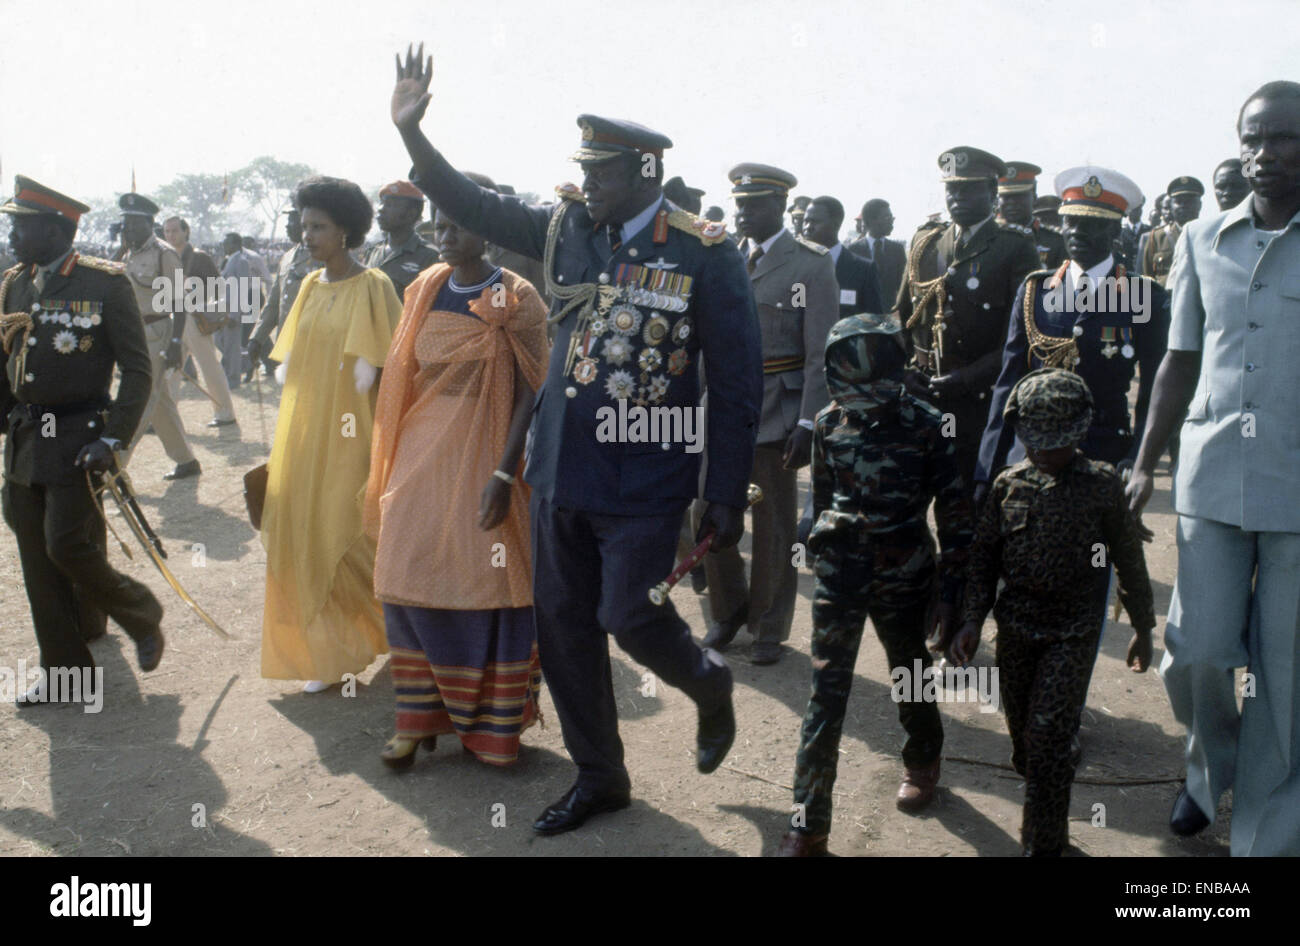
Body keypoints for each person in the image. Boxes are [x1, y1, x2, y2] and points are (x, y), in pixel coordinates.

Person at [391, 44, 762, 834]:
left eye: (603, 172)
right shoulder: (565, 226)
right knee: (562, 634)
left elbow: (734, 382)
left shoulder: (703, 251)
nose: (588, 182)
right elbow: (478, 207)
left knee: (629, 616)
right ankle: (603, 777)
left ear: (647, 175)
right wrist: (414, 137)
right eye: (584, 170)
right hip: (559, 468)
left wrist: (724, 490)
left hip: (646, 474)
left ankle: (706, 682)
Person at [1126, 81, 1300, 856]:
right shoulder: (1201, 238)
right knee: (1195, 650)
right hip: (1210, 474)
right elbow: (1178, 358)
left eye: (1282, 139)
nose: (1262, 155)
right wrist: (1143, 463)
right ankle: (1206, 770)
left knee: (1286, 675)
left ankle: (1266, 831)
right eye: (1251, 139)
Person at [778, 314, 972, 856]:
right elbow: (819, 497)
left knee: (909, 673)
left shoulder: (928, 425)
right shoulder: (827, 422)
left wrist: (952, 596)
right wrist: (817, 546)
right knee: (825, 694)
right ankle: (808, 823)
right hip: (842, 574)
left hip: (905, 573)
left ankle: (922, 760)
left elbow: (956, 517)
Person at [365, 199, 548, 766]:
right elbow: (405, 369)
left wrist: (501, 472)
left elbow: (530, 390)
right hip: (421, 445)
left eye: (458, 224)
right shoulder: (424, 285)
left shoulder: (517, 296)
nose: (444, 235)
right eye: (439, 225)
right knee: (406, 566)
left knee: (487, 576)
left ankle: (493, 728)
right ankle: (416, 719)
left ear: (486, 231)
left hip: (489, 451)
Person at [953, 368, 1155, 856]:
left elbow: (1129, 558)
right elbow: (983, 559)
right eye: (1034, 443)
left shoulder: (1102, 486)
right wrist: (972, 621)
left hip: (1074, 629)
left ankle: (1044, 844)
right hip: (1017, 627)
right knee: (1026, 742)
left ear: (1079, 433)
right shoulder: (1008, 485)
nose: (1043, 454)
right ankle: (1048, 768)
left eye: (1054, 444)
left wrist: (1144, 628)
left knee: (1045, 738)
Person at [0, 176, 164, 702]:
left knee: (66, 544)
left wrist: (114, 438)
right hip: (27, 438)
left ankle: (139, 611)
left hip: (78, 437)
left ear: (55, 229)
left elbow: (138, 373)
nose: (12, 233)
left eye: (21, 225)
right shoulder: (13, 284)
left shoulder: (105, 283)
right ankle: (67, 673)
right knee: (36, 562)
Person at [259, 176, 402, 693]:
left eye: (317, 227)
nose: (307, 236)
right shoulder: (308, 286)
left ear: (346, 230)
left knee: (348, 534)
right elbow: (293, 367)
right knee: (305, 534)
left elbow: (393, 372)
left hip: (354, 438)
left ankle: (395, 630)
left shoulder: (375, 287)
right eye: (303, 226)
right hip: (304, 436)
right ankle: (328, 655)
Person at [701, 163, 837, 666]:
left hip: (777, 407)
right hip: (721, 406)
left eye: (754, 204)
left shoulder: (809, 264)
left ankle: (768, 628)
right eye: (739, 204)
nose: (743, 214)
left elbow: (821, 350)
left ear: (780, 207)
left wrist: (808, 422)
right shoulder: (722, 256)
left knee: (774, 524)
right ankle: (727, 611)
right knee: (708, 510)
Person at [976, 167, 1169, 491]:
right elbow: (1008, 385)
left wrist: (1138, 459)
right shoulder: (1036, 290)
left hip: (1105, 458)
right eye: (1072, 221)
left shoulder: (1142, 295)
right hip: (1035, 457)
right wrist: (989, 468)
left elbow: (1154, 389)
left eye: (1092, 224)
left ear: (1115, 231)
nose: (1078, 232)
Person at [895, 147, 1040, 492]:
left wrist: (969, 378)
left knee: (963, 503)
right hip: (923, 395)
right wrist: (903, 370)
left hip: (977, 400)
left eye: (969, 189)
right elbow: (901, 315)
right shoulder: (925, 241)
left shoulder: (1014, 246)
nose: (958, 198)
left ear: (992, 193)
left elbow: (1021, 334)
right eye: (952, 190)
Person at [119, 192, 200, 479]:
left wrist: (177, 342)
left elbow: (179, 303)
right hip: (134, 333)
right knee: (160, 401)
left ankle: (115, 465)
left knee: (141, 398)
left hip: (157, 332)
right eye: (124, 224)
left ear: (148, 224)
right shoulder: (129, 253)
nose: (127, 229)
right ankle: (186, 460)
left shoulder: (164, 254)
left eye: (133, 223)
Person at [161, 216, 237, 427]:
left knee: (209, 367)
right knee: (170, 369)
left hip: (194, 317)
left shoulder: (198, 257)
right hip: (173, 318)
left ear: (186, 231)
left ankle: (225, 413)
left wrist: (195, 295)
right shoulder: (166, 256)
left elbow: (219, 288)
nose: (170, 235)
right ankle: (166, 417)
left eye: (175, 230)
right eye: (167, 231)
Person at [247, 207, 316, 379]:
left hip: (313, 345)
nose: (287, 226)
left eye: (293, 221)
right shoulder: (287, 257)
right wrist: (257, 338)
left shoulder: (322, 256)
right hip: (287, 345)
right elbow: (274, 302)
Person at [802, 195, 884, 318]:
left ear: (836, 224)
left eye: (815, 221)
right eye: (806, 221)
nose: (807, 228)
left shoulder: (863, 270)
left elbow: (874, 322)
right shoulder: (794, 267)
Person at [363, 180, 441, 301]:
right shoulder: (372, 252)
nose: (381, 209)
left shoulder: (430, 256)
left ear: (411, 214)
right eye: (382, 203)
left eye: (390, 205)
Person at [997, 161, 1066, 269]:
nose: (1012, 202)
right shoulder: (986, 240)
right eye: (1006, 196)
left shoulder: (1056, 241)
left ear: (1034, 196)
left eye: (1019, 196)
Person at [1141, 176, 1203, 286]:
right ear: (1171, 206)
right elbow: (1145, 278)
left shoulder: (1209, 234)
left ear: (1200, 205)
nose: (1183, 206)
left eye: (1189, 202)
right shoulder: (1157, 237)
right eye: (1179, 202)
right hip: (1165, 300)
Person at [848, 199, 905, 309]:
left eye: (892, 217)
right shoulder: (853, 250)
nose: (891, 222)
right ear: (871, 221)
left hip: (890, 319)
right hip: (862, 319)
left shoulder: (897, 250)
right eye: (887, 217)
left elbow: (902, 287)